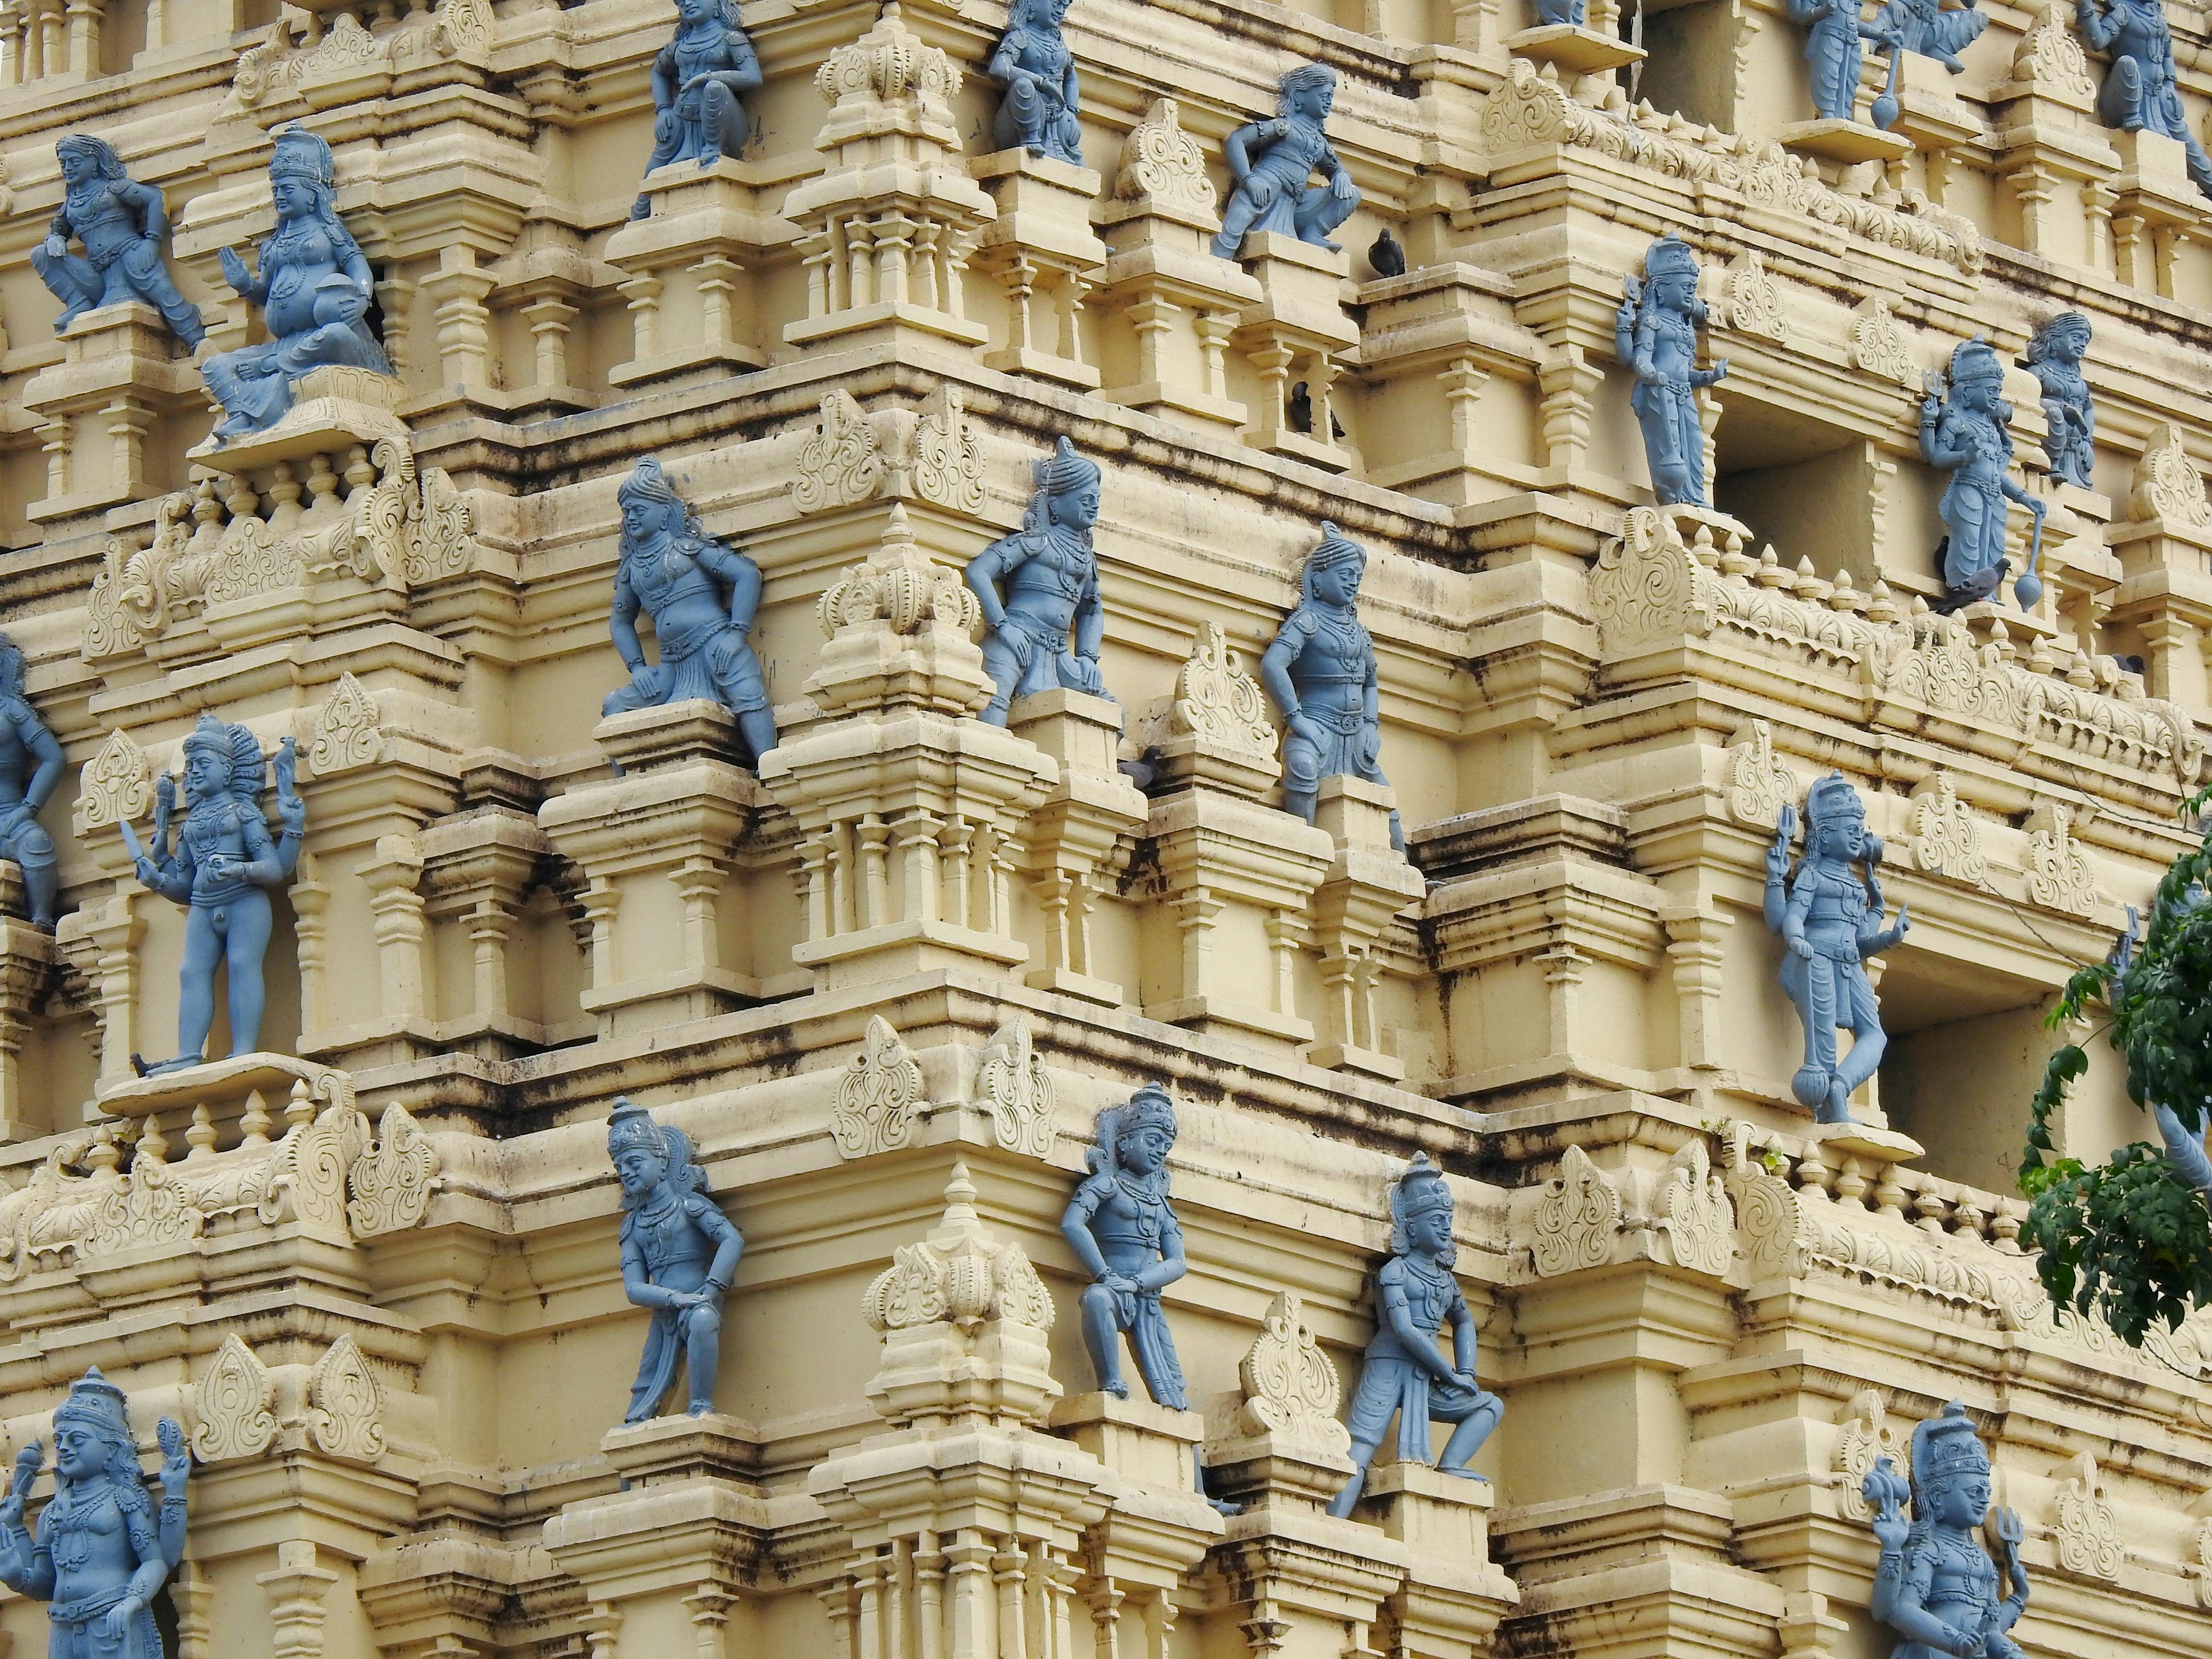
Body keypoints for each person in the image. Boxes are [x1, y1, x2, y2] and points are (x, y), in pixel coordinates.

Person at [120, 718, 304, 1075]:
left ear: (228, 769)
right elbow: (186, 888)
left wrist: (238, 871)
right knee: (191, 973)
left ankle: (243, 1049)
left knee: (241, 965)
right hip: (205, 907)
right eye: (191, 767)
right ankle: (189, 1052)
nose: (195, 773)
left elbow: (273, 868)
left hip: (244, 902)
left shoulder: (243, 813)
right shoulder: (190, 826)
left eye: (204, 764)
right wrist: (157, 881)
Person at [1329, 1154, 1502, 1517]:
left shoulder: (1445, 1281)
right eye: (1436, 1221)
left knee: (1489, 1406)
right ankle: (1334, 1521)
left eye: (1448, 1221)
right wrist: (1449, 1372)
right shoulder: (1396, 1272)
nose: (1445, 1229)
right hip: (1390, 1364)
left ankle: (1450, 1465)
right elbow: (1404, 1330)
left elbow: (1465, 1322)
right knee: (1361, 1443)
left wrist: (1466, 1373)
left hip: (1428, 1374)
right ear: (1410, 1226)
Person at [202, 124, 391, 442]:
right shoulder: (276, 242)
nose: (279, 196)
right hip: (285, 344)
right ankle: (240, 415)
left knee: (335, 334)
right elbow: (267, 293)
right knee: (215, 365)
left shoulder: (327, 231)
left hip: (324, 335)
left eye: (287, 189)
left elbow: (357, 262)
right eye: (276, 190)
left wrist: (362, 295)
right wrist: (244, 286)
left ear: (311, 191)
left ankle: (271, 374)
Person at [0, 1367, 190, 1659]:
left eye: (77, 1440)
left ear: (111, 1447)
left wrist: (132, 1601)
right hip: (63, 1627)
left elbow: (157, 1560)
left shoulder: (124, 1497)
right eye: (60, 1440)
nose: (64, 1448)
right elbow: (47, 1583)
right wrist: (16, 1576)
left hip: (111, 1618)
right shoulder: (53, 1511)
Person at [602, 457, 776, 767]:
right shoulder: (633, 570)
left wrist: (737, 634)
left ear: (664, 511)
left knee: (748, 696)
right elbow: (620, 623)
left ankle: (770, 769)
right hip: (670, 664)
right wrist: (638, 668)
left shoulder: (688, 550)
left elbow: (746, 575)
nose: (631, 518)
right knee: (616, 707)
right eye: (627, 512)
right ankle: (626, 794)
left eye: (639, 510)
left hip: (715, 645)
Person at [1764, 776, 1909, 1125]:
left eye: (1861, 828)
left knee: (1875, 1035)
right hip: (1818, 959)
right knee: (1824, 1038)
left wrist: (1886, 931)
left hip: (1849, 965)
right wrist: (1796, 939)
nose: (1859, 835)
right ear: (1826, 836)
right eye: (1851, 828)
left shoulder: (1856, 887)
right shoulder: (1813, 875)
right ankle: (1832, 1109)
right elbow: (1793, 917)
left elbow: (1861, 943)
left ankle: (1840, 1087)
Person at [1261, 522, 1402, 850]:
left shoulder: (1357, 630)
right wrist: (1296, 719)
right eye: (1345, 575)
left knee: (1385, 804)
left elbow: (1370, 682)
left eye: (1357, 577)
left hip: (1356, 738)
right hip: (1318, 726)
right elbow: (1272, 664)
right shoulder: (1308, 621)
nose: (1353, 583)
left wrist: (1370, 726)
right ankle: (1300, 850)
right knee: (1302, 769)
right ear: (1318, 579)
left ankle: (1406, 869)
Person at [609, 1099, 744, 1422]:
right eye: (620, 1167)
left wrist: (711, 1289)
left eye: (635, 1162)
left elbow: (731, 1240)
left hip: (699, 1300)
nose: (626, 1173)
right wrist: (675, 1299)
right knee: (645, 1391)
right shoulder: (634, 1226)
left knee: (702, 1321)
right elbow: (635, 1288)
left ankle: (700, 1405)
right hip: (667, 1311)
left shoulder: (690, 1207)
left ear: (663, 1159)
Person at [1863, 1402, 2029, 1659]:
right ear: (1938, 1497)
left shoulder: (1983, 1562)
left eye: (1986, 1493)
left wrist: (2018, 1600)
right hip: (1935, 1652)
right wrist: (1957, 1643)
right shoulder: (1930, 1549)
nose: (1984, 1500)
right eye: (1973, 1492)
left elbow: (1991, 1630)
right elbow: (1898, 1610)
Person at [964, 438, 1109, 724]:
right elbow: (979, 571)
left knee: (1108, 711)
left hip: (1060, 655)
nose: (1094, 507)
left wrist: (1088, 658)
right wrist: (1003, 627)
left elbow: (1092, 610)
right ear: (1055, 504)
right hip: (1016, 638)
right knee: (993, 703)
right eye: (1085, 500)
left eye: (1096, 500)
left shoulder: (1085, 560)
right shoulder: (1035, 543)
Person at [1062, 1085, 1188, 1408]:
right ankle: (1111, 1379)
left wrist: (1137, 1284)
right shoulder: (1108, 1185)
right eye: (1153, 1141)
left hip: (1145, 1296)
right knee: (1096, 1300)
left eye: (1167, 1145)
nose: (1161, 1151)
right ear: (1123, 1142)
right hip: (1113, 1285)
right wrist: (1104, 1275)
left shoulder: (1160, 1205)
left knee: (1171, 1388)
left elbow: (1177, 1263)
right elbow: (1073, 1224)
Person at [31, 135, 204, 346]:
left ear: (94, 162)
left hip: (132, 257)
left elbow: (156, 199)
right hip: (99, 275)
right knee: (41, 254)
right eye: (63, 163)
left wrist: (152, 241)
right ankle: (79, 302)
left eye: (75, 162)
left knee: (166, 296)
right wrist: (55, 239)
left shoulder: (114, 189)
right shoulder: (71, 204)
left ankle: (198, 343)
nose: (67, 169)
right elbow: (58, 230)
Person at [1920, 338, 2045, 611]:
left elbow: (1997, 475)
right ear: (1967, 392)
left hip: (1993, 495)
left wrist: (2024, 498)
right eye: (1990, 390)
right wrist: (1964, 456)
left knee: (1993, 546)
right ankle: (1963, 590)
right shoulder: (1956, 421)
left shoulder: (1991, 430)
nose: (1995, 397)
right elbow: (1935, 456)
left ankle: (1985, 594)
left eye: (1997, 391)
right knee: (1969, 542)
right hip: (1968, 490)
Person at [1616, 232, 1728, 509]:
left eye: (1693, 286)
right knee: (1670, 448)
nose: (1691, 291)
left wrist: (1708, 377)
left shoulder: (1685, 326)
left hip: (1683, 394)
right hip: (1660, 392)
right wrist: (1651, 375)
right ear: (1662, 289)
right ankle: (1671, 496)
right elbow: (1640, 358)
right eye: (1686, 286)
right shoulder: (1653, 321)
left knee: (1692, 449)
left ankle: (1693, 498)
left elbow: (1683, 371)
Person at [1212, 63, 1359, 260]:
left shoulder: (1319, 143)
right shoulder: (1284, 127)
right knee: (1231, 232)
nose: (1328, 103)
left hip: (1295, 205)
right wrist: (1249, 180)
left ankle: (1311, 234)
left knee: (1351, 194)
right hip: (1263, 189)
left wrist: (1341, 176)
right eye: (1323, 97)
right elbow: (1236, 141)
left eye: (1330, 98)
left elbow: (1336, 169)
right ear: (1300, 96)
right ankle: (1218, 262)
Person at [630, 0, 762, 219]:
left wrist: (709, 77)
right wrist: (663, 110)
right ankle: (640, 216)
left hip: (721, 119)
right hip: (681, 117)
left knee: (714, 89)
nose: (687, 3)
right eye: (681, 1)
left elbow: (753, 76)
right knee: (655, 167)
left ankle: (712, 147)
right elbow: (659, 72)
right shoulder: (681, 45)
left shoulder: (730, 38)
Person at [2078, 0, 2212, 196]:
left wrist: (2169, 84)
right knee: (2127, 64)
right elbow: (2097, 42)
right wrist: (2086, 7)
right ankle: (2132, 116)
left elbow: (2166, 53)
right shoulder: (2124, 12)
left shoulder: (2156, 16)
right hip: (2129, 93)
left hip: (2160, 97)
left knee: (2189, 146)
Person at [0, 637, 61, 931]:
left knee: (37, 845)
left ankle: (41, 920)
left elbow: (53, 758)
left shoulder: (12, 711)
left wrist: (28, 809)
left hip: (9, 817)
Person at [990, 0, 1083, 165]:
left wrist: (1071, 109)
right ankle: (1031, 140)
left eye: (1064, 6)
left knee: (1075, 149)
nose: (1060, 11)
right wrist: (1041, 83)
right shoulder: (1020, 37)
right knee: (1023, 86)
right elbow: (999, 68)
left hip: (1059, 118)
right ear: (1032, 3)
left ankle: (1067, 149)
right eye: (1056, 3)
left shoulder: (1058, 45)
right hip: (1024, 120)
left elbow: (1071, 76)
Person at [2022, 312, 2095, 491]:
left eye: (2085, 341)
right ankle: (2054, 464)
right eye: (2076, 338)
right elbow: (2030, 400)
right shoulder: (2040, 372)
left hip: (2075, 452)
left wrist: (2087, 441)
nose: (2081, 344)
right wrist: (2061, 408)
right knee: (2054, 415)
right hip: (2052, 441)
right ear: (2054, 340)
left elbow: (2088, 409)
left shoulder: (2079, 383)